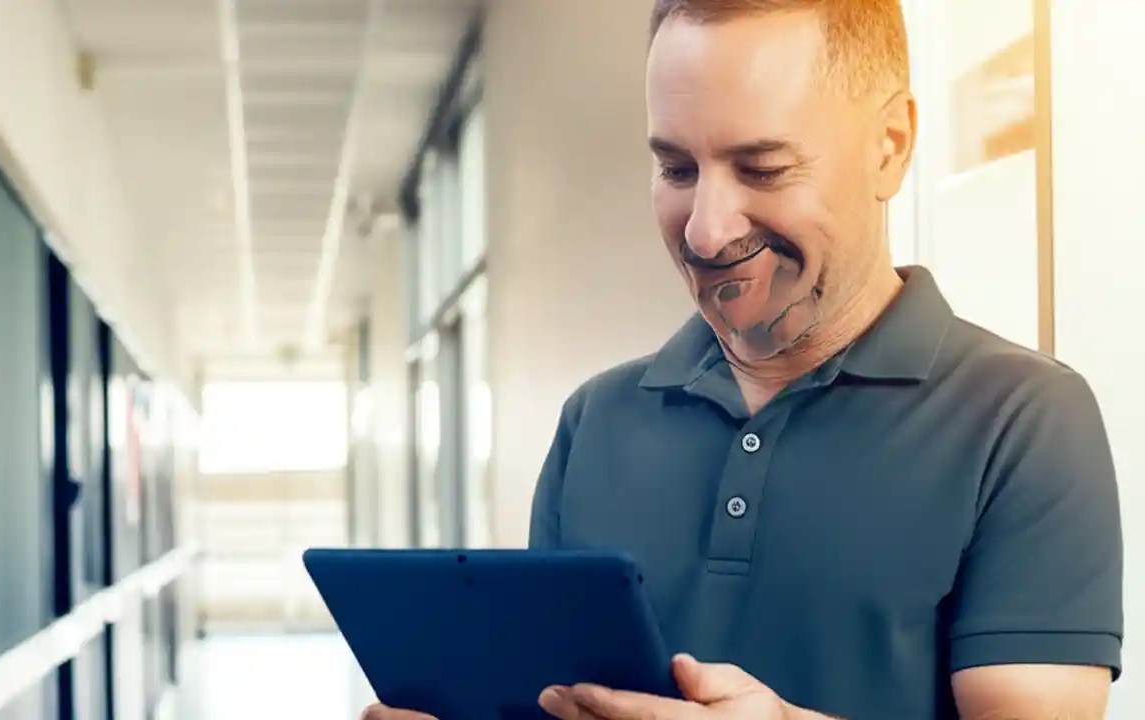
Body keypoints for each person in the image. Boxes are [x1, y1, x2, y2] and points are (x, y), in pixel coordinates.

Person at [366, 0, 1124, 718]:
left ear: (889, 148)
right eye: (676, 169)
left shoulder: (1023, 420)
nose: (704, 230)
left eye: (762, 169)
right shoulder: (596, 422)